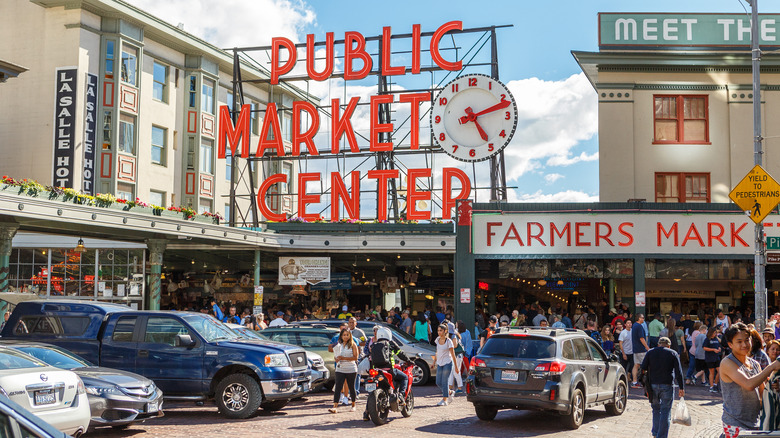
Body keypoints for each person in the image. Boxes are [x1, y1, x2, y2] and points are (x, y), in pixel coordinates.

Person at [720, 323, 780, 436]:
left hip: (755, 422)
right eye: (739, 342)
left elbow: (762, 394)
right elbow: (749, 384)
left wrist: (774, 387)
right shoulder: (727, 362)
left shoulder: (755, 364)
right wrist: (771, 367)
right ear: (730, 344)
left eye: (747, 340)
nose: (744, 344)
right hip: (735, 424)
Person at [640, 337, 684, 438]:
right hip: (667, 384)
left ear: (659, 344)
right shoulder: (673, 353)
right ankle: (662, 436)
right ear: (669, 345)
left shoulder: (650, 352)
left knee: (655, 409)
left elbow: (643, 367)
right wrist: (681, 387)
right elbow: (679, 372)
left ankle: (656, 433)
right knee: (665, 411)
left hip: (653, 384)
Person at [329, 328, 359, 414]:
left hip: (351, 368)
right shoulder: (339, 345)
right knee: (338, 387)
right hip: (340, 368)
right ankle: (335, 406)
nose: (346, 337)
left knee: (351, 386)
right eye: (344, 335)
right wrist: (336, 358)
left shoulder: (353, 345)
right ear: (341, 336)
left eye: (347, 335)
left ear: (350, 336)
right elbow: (335, 355)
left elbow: (355, 357)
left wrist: (344, 358)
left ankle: (353, 405)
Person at [433, 324, 458, 406]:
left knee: (444, 381)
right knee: (438, 382)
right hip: (439, 363)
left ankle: (445, 400)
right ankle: (450, 392)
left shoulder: (449, 341)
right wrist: (434, 362)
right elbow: (437, 352)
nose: (439, 332)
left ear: (445, 331)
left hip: (447, 363)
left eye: (441, 330)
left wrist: (456, 367)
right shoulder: (437, 340)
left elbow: (453, 355)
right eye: (438, 330)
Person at [761, 340, 780, 431]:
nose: (775, 351)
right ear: (767, 350)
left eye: (778, 349)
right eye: (773, 349)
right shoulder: (764, 362)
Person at [632, 314, 650, 388]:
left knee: (636, 365)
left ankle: (634, 381)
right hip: (641, 349)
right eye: (642, 318)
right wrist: (647, 347)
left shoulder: (634, 325)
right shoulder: (639, 326)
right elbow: (641, 338)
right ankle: (646, 381)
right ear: (639, 318)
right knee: (646, 365)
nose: (643, 319)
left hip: (635, 348)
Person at [703, 326, 723, 393]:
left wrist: (719, 349)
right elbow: (704, 348)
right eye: (714, 333)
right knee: (712, 372)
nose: (715, 334)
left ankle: (715, 384)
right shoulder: (707, 339)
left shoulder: (716, 339)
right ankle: (711, 386)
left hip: (716, 357)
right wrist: (713, 350)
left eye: (716, 333)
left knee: (719, 371)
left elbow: (718, 345)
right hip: (710, 357)